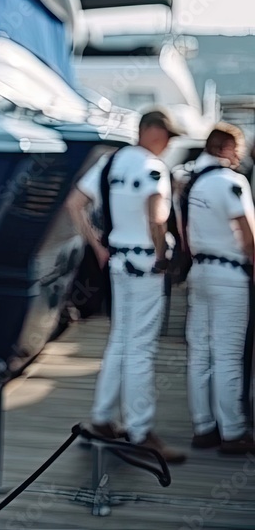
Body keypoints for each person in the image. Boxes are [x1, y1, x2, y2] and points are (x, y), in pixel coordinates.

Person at [66, 109, 187, 463]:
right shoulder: (153, 167)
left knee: (120, 339)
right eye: (166, 134)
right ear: (150, 130)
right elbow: (157, 215)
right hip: (146, 264)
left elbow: (76, 204)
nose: (167, 143)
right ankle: (140, 430)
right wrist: (164, 255)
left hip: (118, 262)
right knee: (141, 348)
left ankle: (103, 420)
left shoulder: (110, 163)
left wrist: (98, 246)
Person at [183, 123, 255, 454]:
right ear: (225, 149)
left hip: (199, 272)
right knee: (227, 354)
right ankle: (234, 431)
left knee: (200, 352)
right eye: (238, 148)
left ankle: (203, 426)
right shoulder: (233, 183)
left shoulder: (192, 184)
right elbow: (246, 231)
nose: (241, 156)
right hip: (230, 275)